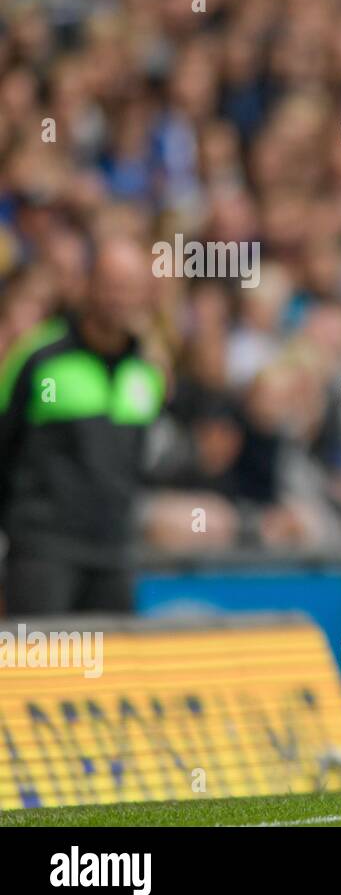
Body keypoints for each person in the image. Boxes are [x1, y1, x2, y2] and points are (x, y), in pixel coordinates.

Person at [0, 235, 165, 616]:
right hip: (43, 552)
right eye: (111, 285)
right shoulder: (41, 359)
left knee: (113, 674)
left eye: (130, 288)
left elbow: (141, 461)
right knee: (44, 672)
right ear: (88, 284)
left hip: (115, 553)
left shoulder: (146, 371)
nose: (119, 298)